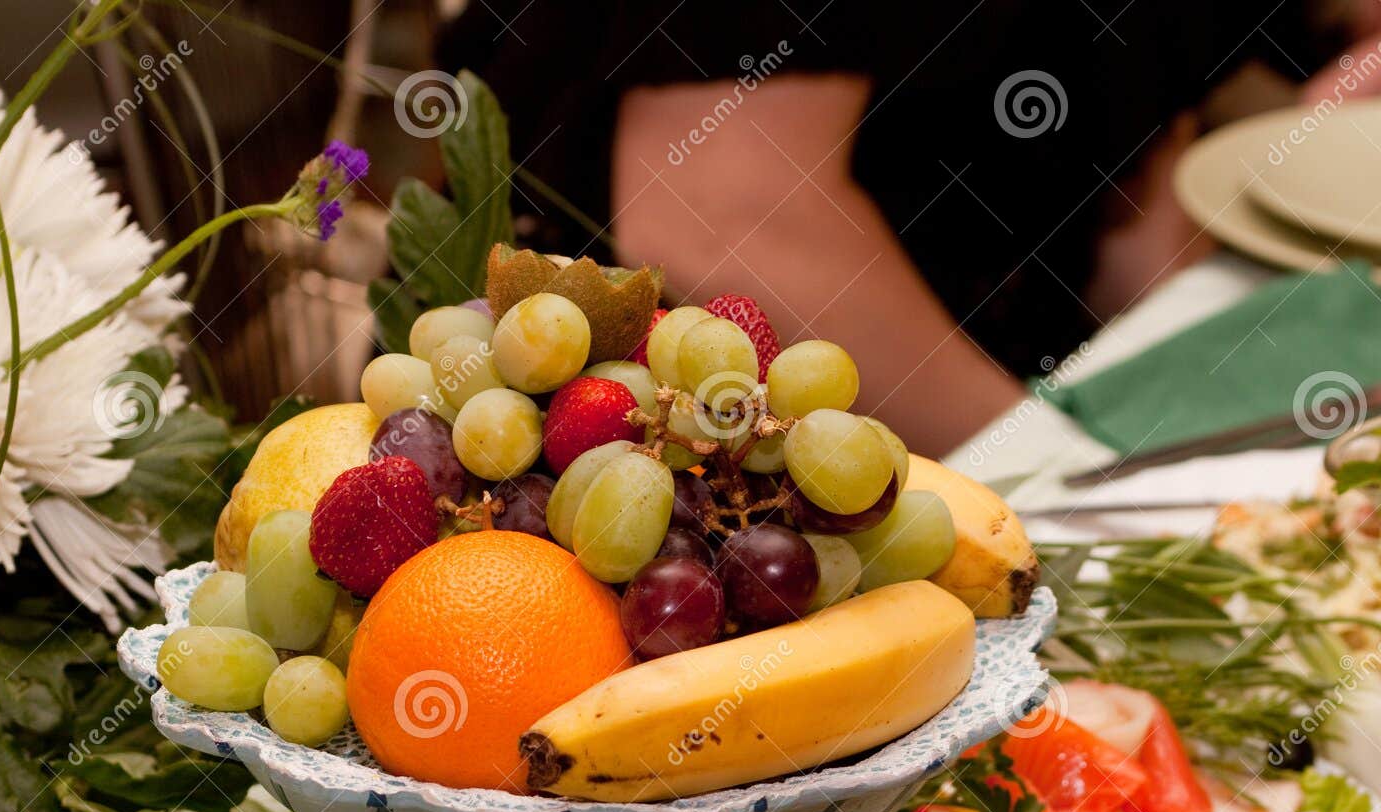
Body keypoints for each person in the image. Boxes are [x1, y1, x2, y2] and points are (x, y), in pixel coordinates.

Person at [444, 1, 1361, 453]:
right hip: (633, 430)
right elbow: (718, 211)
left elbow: (1136, 156)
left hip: (988, 354)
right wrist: (1057, 470)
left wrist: (1206, 443)